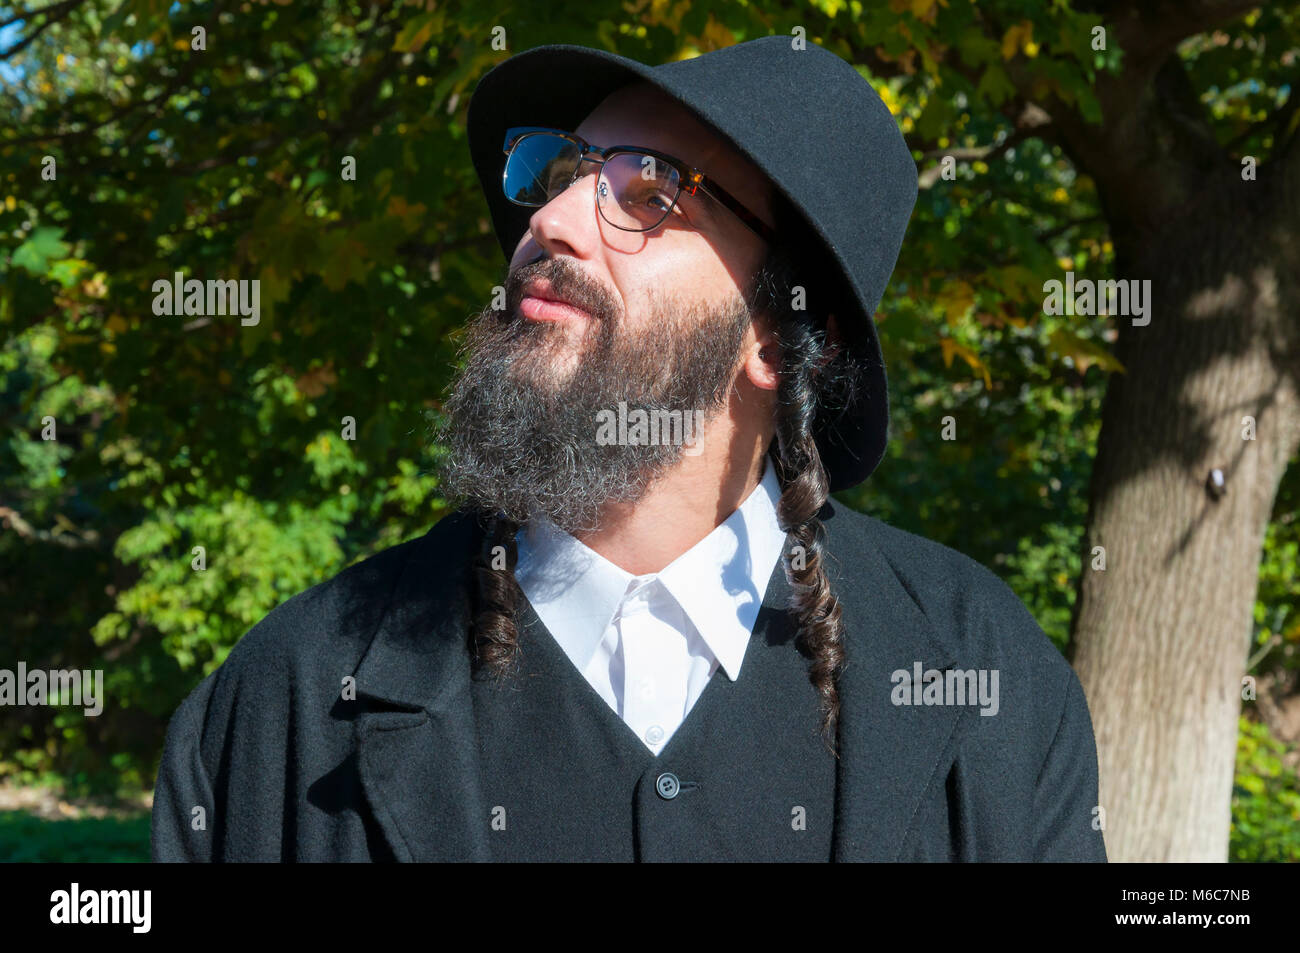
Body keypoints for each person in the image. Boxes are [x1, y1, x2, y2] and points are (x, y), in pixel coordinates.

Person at [152, 35, 1107, 862]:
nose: (549, 221)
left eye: (650, 194)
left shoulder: (991, 684)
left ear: (779, 337)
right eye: (564, 177)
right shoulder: (290, 697)